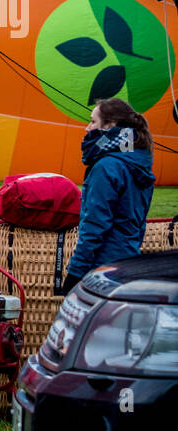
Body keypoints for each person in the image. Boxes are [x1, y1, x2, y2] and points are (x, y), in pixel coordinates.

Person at [64, 98, 155, 291]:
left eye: (93, 121)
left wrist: (75, 272)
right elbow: (139, 224)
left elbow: (94, 226)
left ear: (110, 126)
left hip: (102, 268)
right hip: (128, 261)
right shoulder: (138, 164)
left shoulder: (107, 167)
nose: (87, 128)